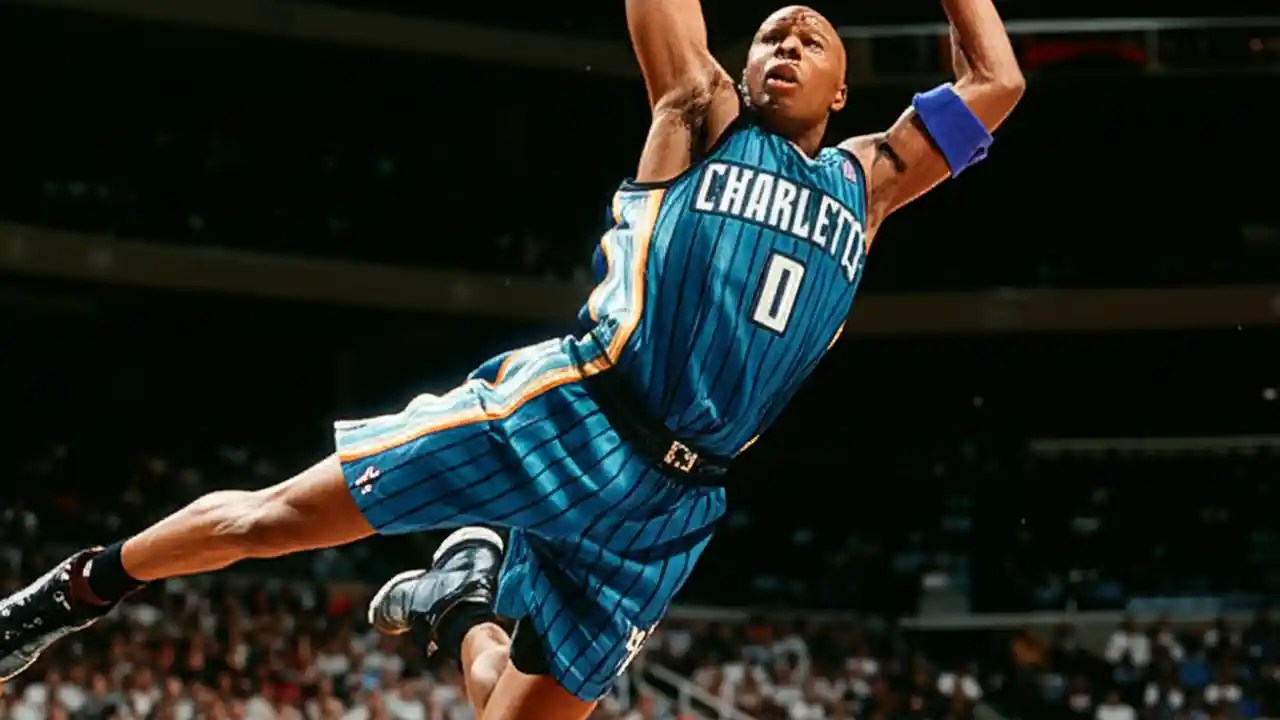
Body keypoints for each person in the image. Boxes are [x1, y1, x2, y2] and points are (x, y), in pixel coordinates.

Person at [0, 1, 1023, 717]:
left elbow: (995, 78)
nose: (785, 47)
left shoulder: (870, 184)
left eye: (811, 39)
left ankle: (459, 607)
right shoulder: (703, 116)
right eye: (769, 35)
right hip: (573, 412)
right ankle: (71, 594)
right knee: (277, 521)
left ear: (846, 90)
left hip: (677, 504)